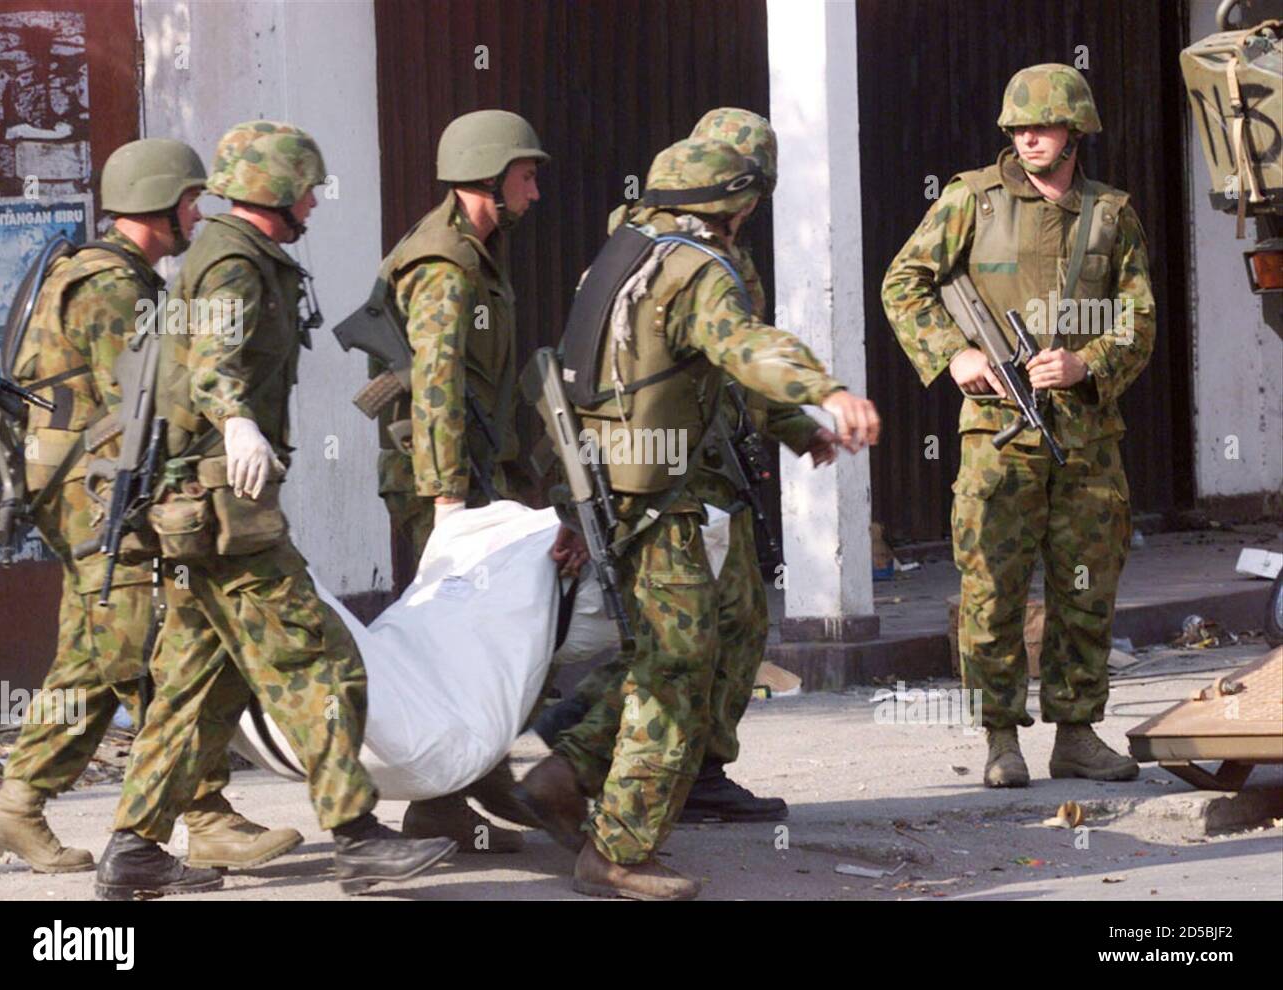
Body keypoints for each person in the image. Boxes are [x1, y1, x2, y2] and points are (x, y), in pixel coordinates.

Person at [94, 121, 457, 900]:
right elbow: (213, 362)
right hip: (227, 508)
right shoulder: (232, 262)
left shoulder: (245, 256)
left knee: (198, 686)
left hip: (207, 506)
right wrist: (235, 419)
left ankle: (133, 851)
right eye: (307, 189)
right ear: (278, 192)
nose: (318, 202)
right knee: (317, 659)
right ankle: (356, 837)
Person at [519, 138, 880, 899]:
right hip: (667, 499)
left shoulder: (627, 251)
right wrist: (828, 389)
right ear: (739, 205)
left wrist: (791, 426)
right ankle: (615, 848)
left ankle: (570, 772)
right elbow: (742, 347)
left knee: (675, 649)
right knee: (678, 668)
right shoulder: (697, 269)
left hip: (619, 488)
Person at [0, 138, 301, 875]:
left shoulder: (116, 274)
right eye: (190, 200)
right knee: (148, 651)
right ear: (159, 204)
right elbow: (146, 403)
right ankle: (201, 812)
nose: (199, 213)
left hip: (85, 493)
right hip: (97, 496)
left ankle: (18, 806)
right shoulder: (113, 288)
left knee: (97, 651)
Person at [881, 64, 1154, 788]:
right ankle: (1001, 738)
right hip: (998, 433)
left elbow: (1140, 318)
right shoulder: (971, 200)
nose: (1028, 137)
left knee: (1085, 589)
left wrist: (1087, 364)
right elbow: (903, 282)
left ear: (1077, 132)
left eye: (1043, 126)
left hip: (1088, 439)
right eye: (1019, 127)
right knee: (992, 588)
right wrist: (955, 353)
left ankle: (1077, 733)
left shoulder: (1110, 214)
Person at [369, 109, 549, 853]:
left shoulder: (477, 250)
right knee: (450, 646)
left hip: (479, 472)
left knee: (479, 638)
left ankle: (472, 782)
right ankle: (440, 804)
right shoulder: (445, 265)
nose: (535, 192)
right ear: (489, 175)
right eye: (526, 175)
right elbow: (436, 385)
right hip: (443, 482)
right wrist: (446, 502)